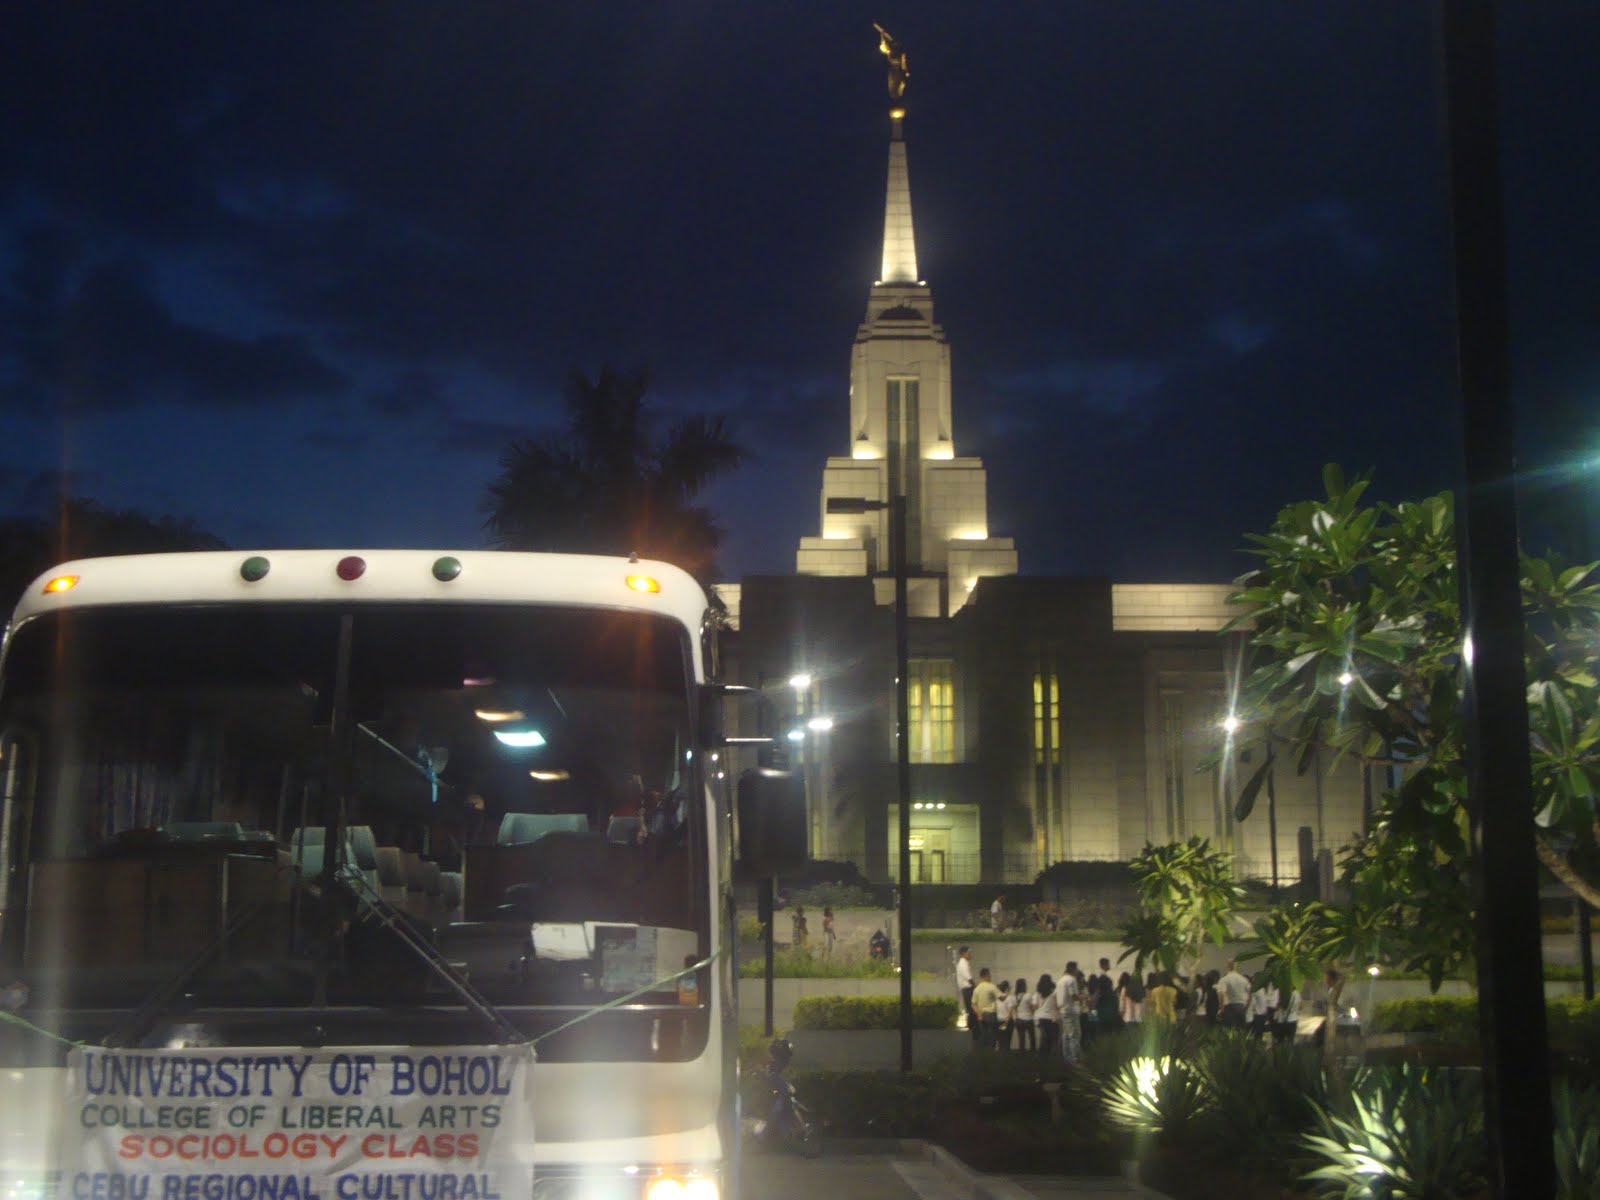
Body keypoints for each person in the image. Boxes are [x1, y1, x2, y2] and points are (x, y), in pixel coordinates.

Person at [1216, 958, 1251, 1029]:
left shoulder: (1224, 979)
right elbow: (1250, 995)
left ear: (1227, 966)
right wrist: (1245, 1008)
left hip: (1229, 1008)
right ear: (1236, 966)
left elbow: (1221, 995)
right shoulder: (1244, 979)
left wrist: (1221, 1010)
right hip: (1241, 1008)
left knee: (1229, 1031)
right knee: (1241, 1032)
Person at [972, 967, 1001, 1049]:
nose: (990, 977)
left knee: (983, 1036)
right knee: (992, 1036)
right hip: (991, 1015)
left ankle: (984, 1055)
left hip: (981, 1015)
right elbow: (1001, 998)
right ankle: (991, 1054)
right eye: (989, 975)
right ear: (986, 976)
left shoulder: (976, 989)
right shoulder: (992, 987)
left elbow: (973, 1004)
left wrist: (978, 1014)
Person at [1248, 973, 1280, 1039]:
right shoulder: (1263, 990)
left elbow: (1252, 1002)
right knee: (1260, 1035)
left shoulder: (1256, 990)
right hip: (1264, 1014)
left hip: (1257, 1015)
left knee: (1256, 1035)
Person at [1034, 973, 1059, 1057]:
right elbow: (1058, 1005)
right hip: (1052, 1018)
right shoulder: (1054, 994)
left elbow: (1035, 1006)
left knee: (1044, 1038)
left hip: (1041, 1018)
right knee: (1054, 1039)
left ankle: (1042, 1056)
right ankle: (1053, 1057)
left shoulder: (1037, 994)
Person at [956, 945, 977, 1040]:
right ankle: (973, 1031)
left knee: (971, 1010)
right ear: (963, 954)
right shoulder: (962, 964)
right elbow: (969, 979)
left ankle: (972, 1029)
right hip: (968, 990)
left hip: (967, 990)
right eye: (969, 953)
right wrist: (977, 987)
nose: (970, 955)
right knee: (972, 1010)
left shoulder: (964, 963)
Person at [1013, 977, 1037, 1051]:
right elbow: (1032, 1008)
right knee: (1032, 1037)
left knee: (1021, 1039)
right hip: (1028, 1019)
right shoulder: (1028, 995)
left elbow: (1014, 1008)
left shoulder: (1015, 996)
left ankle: (1022, 1054)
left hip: (1019, 1019)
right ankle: (1033, 1053)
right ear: (1024, 986)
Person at [996, 979, 1014, 1050]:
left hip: (998, 1020)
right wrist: (1006, 1023)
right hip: (1007, 1022)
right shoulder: (1009, 998)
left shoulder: (997, 998)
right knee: (1007, 1042)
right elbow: (1010, 1012)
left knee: (1000, 1041)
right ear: (1007, 989)